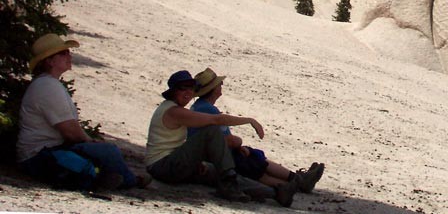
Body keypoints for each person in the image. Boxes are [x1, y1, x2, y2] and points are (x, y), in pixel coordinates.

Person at [16, 33, 148, 191]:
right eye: (63, 53)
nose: (69, 55)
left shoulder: (48, 84)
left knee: (99, 155)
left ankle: (111, 178)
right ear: (50, 61)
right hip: (40, 156)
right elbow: (70, 131)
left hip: (45, 153)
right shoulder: (47, 86)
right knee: (107, 152)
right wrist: (89, 142)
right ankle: (129, 181)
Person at [145, 70, 296, 207]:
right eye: (182, 88)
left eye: (190, 88)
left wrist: (193, 161)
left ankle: (275, 193)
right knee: (212, 134)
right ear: (173, 92)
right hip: (162, 165)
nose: (187, 92)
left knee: (222, 175)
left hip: (171, 162)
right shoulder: (174, 111)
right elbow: (216, 121)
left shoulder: (177, 108)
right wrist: (250, 120)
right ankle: (287, 183)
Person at [189, 67, 324, 192]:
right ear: (213, 89)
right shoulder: (208, 109)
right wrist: (239, 142)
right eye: (219, 84)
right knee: (253, 163)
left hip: (211, 154)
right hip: (217, 158)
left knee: (254, 160)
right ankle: (295, 183)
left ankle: (296, 181)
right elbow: (227, 140)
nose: (221, 86)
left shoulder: (200, 106)